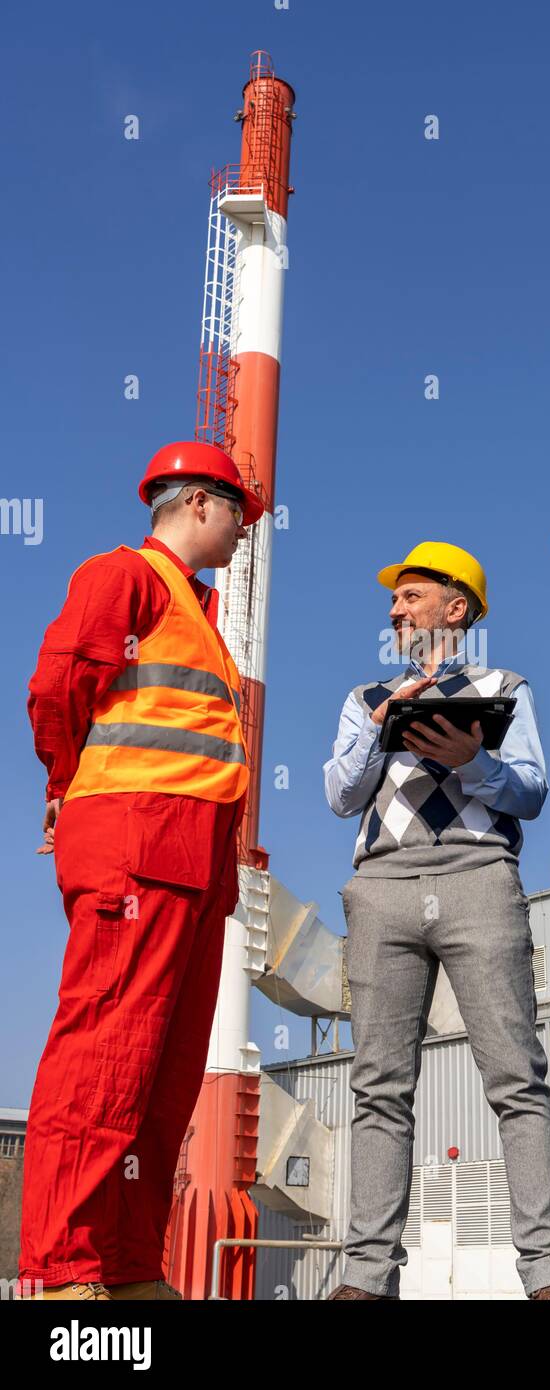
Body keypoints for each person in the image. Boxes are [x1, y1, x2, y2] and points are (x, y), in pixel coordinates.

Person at [17, 441, 258, 1301]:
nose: (244, 532)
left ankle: (125, 1269)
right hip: (135, 841)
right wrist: (64, 783)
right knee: (106, 1051)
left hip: (191, 861)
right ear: (199, 504)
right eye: (239, 514)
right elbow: (58, 687)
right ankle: (67, 1266)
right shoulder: (123, 577)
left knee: (161, 1077)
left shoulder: (198, 616)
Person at [323, 542, 550, 1300]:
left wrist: (473, 759)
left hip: (478, 877)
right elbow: (340, 796)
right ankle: (367, 1277)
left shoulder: (505, 688)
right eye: (394, 601)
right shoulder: (364, 695)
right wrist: (380, 726)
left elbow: (530, 792)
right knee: (378, 1087)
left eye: (409, 596)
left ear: (455, 607)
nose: (395, 610)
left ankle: (549, 1275)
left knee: (517, 1079)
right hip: (382, 888)